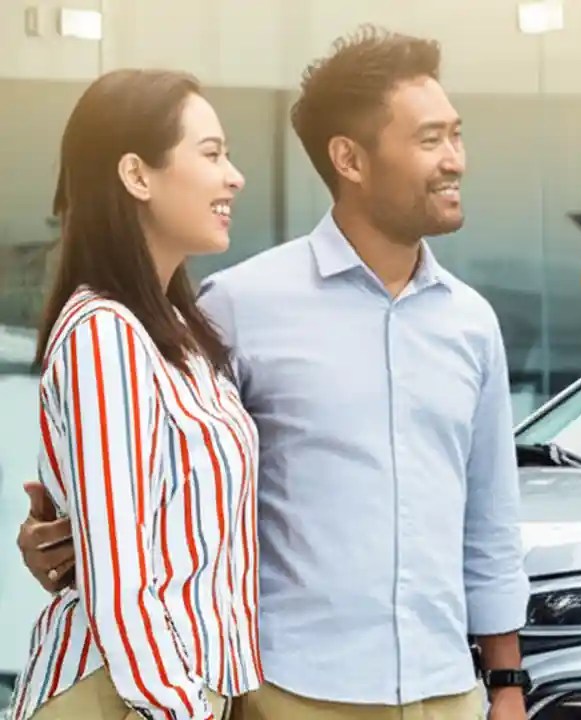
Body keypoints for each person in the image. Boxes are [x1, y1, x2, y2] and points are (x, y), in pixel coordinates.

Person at [15, 25, 529, 720]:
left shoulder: (470, 324)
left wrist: (506, 687)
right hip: (276, 693)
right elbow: (129, 547)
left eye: (456, 134)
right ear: (349, 158)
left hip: (442, 688)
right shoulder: (225, 311)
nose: (456, 160)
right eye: (430, 139)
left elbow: (491, 521)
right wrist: (75, 539)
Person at [7, 69, 258, 720]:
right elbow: (120, 582)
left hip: (174, 693)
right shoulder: (105, 335)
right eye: (211, 154)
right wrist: (182, 712)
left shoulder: (178, 336)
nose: (234, 177)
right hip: (127, 697)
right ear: (136, 175)